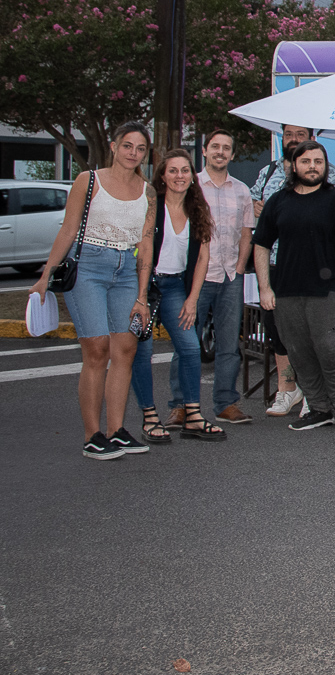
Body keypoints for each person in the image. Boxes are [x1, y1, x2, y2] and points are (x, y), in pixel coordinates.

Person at [31, 122, 156, 460]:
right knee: (97, 349)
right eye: (127, 145)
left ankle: (116, 430)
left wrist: (142, 296)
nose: (133, 153)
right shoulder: (89, 181)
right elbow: (69, 229)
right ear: (114, 146)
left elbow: (145, 246)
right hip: (88, 266)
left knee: (125, 349)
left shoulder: (148, 191)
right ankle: (92, 435)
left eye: (140, 148)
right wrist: (46, 275)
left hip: (126, 271)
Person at [253, 141, 335, 433]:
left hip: (330, 290)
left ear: (325, 166)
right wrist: (265, 288)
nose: (313, 166)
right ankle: (319, 409)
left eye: (318, 161)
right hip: (287, 292)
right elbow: (261, 245)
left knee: (331, 350)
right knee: (300, 353)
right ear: (294, 165)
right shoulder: (278, 201)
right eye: (306, 161)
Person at [129, 149, 222, 441]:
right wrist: (141, 296)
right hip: (143, 286)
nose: (179, 176)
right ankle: (149, 417)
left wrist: (192, 299)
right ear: (163, 176)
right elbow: (142, 249)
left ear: (191, 177)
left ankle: (192, 415)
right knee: (141, 353)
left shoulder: (198, 209)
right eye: (173, 171)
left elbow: (203, 257)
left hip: (174, 288)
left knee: (191, 349)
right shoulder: (150, 204)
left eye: (185, 171)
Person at [252, 125, 335, 417]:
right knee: (280, 333)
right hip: (277, 267)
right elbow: (254, 215)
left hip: (319, 269)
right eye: (288, 134)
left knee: (315, 334)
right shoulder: (267, 174)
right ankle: (287, 388)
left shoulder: (333, 175)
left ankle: (313, 394)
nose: (293, 139)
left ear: (312, 140)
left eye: (299, 134)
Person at [194, 129, 256, 426]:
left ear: (233, 154)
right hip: (196, 277)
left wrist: (241, 268)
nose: (220, 152)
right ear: (205, 150)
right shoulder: (190, 185)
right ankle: (182, 405)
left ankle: (226, 403)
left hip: (231, 275)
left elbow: (246, 233)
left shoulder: (242, 190)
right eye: (215, 146)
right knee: (187, 344)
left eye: (226, 148)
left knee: (230, 345)